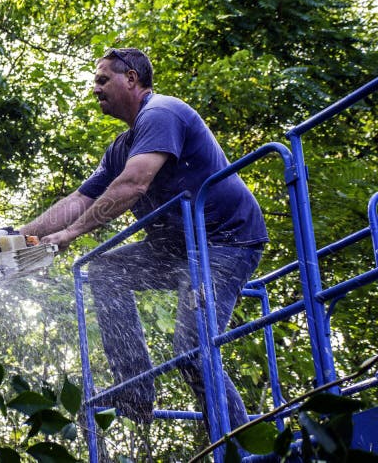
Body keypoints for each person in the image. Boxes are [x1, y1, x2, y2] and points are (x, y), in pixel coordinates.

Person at [19, 48, 268, 435]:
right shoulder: (120, 147)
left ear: (131, 79)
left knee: (191, 347)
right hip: (176, 248)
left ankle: (246, 445)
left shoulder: (161, 113)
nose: (95, 88)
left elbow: (133, 184)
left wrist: (69, 235)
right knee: (104, 271)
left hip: (225, 240)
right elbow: (79, 200)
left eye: (102, 80)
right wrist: (18, 239)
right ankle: (134, 388)